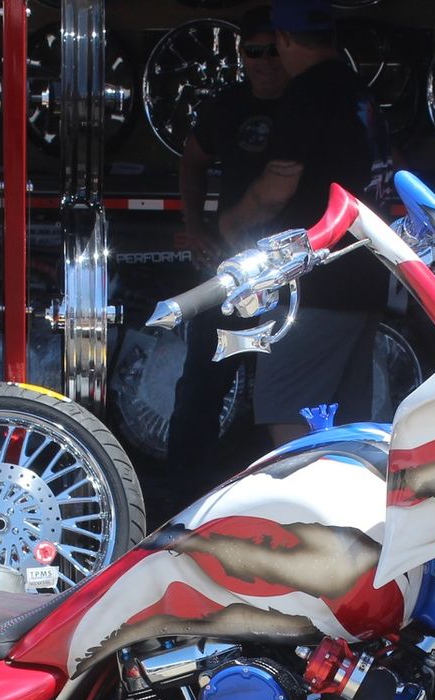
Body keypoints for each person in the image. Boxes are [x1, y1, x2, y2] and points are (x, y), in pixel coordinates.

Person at [217, 0, 392, 442]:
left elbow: (280, 183)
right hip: (365, 271)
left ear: (286, 39)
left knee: (288, 409)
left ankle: (298, 510)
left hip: (315, 281)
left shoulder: (308, 91)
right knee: (345, 417)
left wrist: (232, 224)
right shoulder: (359, 92)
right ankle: (345, 510)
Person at [167, 6, 287, 496]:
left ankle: (269, 497)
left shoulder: (308, 104)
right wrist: (194, 226)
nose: (260, 61)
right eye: (250, 51)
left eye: (270, 50)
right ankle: (181, 499)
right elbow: (192, 161)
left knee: (279, 395)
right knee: (202, 383)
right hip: (234, 271)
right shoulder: (226, 105)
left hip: (295, 269)